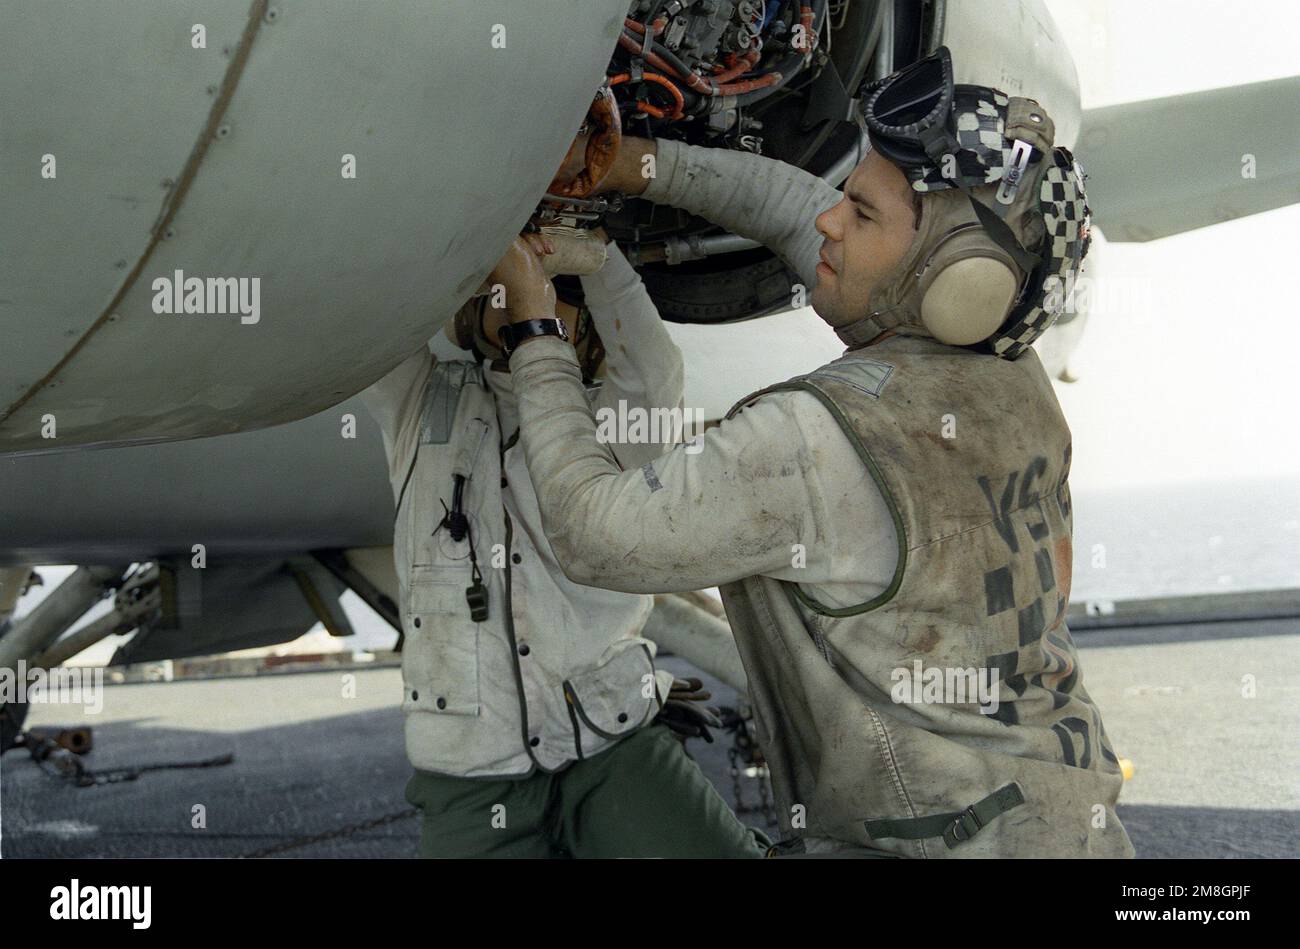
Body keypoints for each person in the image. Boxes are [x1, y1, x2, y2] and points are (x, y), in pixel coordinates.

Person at [488, 47, 1135, 858]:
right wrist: (634, 164)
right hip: (1064, 820)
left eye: (861, 216)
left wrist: (534, 328)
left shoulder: (822, 439)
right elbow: (797, 208)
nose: (829, 220)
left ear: (956, 279)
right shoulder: (1011, 382)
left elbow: (592, 530)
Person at [361, 219, 769, 858]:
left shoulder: (615, 421)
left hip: (606, 740)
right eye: (503, 293)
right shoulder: (423, 404)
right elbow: (371, 318)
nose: (520, 302)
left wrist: (586, 251)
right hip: (470, 765)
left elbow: (653, 364)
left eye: (555, 300)